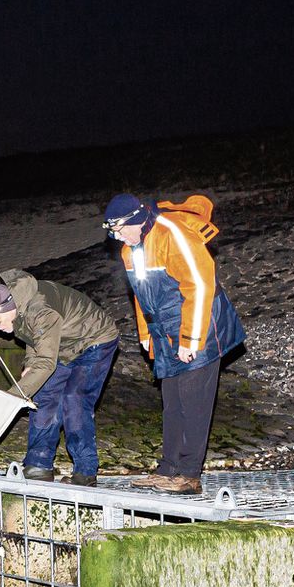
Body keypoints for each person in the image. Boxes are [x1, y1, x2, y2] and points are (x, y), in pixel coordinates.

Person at [102, 192, 246, 494]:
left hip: (201, 325)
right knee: (172, 401)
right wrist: (146, 335)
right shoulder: (130, 250)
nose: (117, 237)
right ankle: (167, 469)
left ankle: (190, 475)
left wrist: (190, 339)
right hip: (165, 330)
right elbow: (141, 297)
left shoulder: (172, 234)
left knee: (193, 400)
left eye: (119, 230)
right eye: (112, 232)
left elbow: (200, 283)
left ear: (135, 220)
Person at [0, 268, 119, 485]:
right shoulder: (20, 307)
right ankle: (38, 465)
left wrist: (13, 397)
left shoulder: (41, 309)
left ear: (9, 307)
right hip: (64, 346)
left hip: (95, 340)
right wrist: (29, 364)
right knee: (45, 397)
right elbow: (35, 339)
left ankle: (85, 471)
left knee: (74, 397)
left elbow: (45, 361)